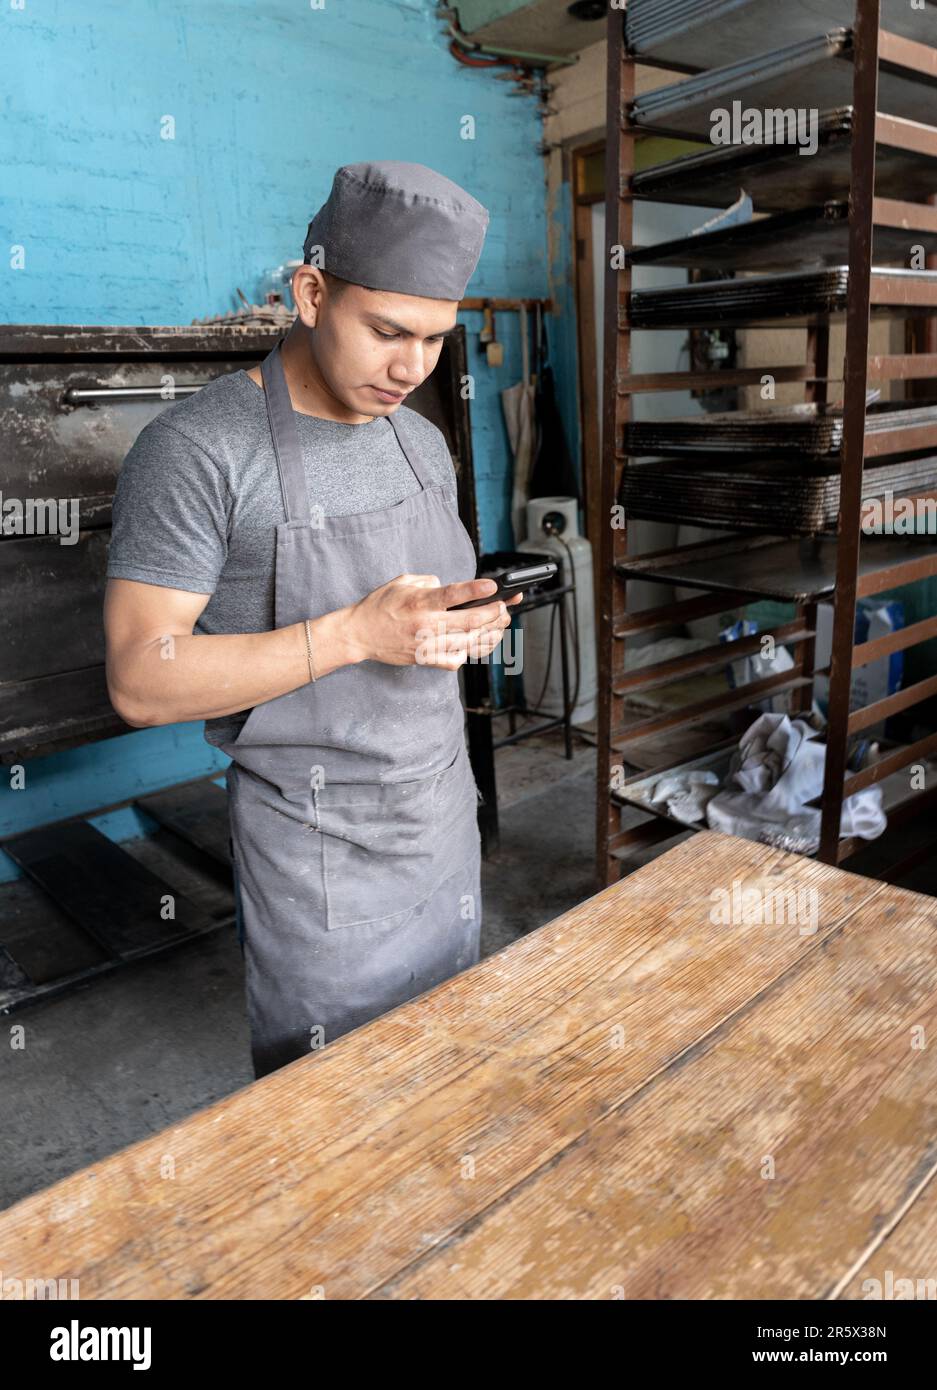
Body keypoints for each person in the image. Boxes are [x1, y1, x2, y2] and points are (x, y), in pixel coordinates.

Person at [104, 161, 520, 1079]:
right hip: (322, 851)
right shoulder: (198, 451)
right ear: (311, 291)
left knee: (448, 1076)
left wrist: (458, 624)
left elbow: (415, 617)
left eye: (436, 340)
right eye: (386, 332)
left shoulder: (417, 438)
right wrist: (352, 634)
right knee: (334, 1117)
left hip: (440, 818)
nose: (412, 369)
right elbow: (139, 679)